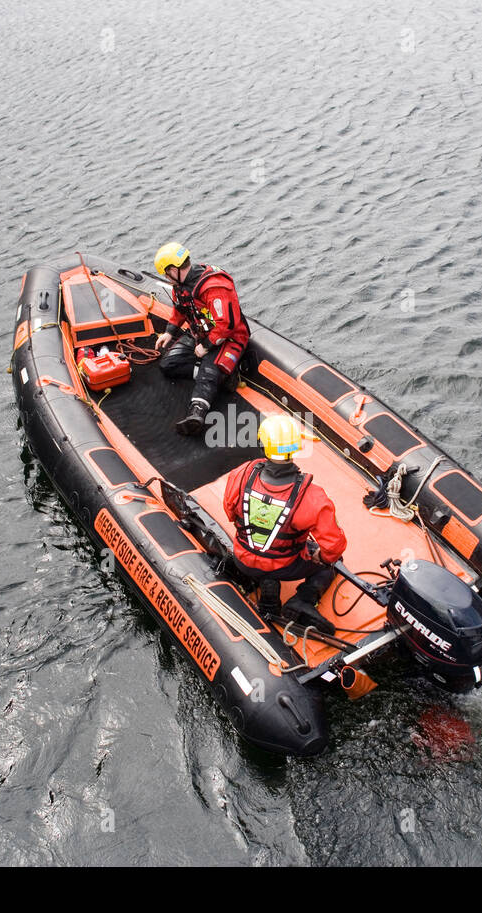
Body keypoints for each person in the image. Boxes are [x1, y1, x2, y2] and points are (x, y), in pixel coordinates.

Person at [223, 415, 346, 633]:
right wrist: (322, 557)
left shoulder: (241, 474)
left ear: (263, 446)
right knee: (335, 562)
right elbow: (334, 546)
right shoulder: (312, 496)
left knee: (263, 559)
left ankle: (265, 581)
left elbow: (230, 512)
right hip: (285, 565)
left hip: (243, 557)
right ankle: (304, 599)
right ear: (294, 448)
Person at [152, 242, 251, 436]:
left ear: (173, 269)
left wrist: (206, 346)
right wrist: (170, 332)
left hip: (229, 337)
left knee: (208, 371)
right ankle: (220, 378)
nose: (166, 278)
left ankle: (196, 414)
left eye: (166, 274)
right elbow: (180, 310)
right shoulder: (181, 286)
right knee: (169, 365)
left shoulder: (213, 286)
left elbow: (227, 325)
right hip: (201, 333)